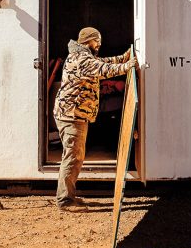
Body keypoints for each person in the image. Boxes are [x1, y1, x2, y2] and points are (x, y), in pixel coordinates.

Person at [52, 26, 134, 210]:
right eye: (97, 41)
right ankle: (65, 200)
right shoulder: (81, 58)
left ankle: (69, 196)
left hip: (74, 114)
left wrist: (123, 57)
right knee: (72, 157)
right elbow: (103, 69)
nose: (99, 44)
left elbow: (102, 62)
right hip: (72, 115)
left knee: (75, 156)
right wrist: (127, 66)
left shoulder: (83, 56)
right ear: (89, 41)